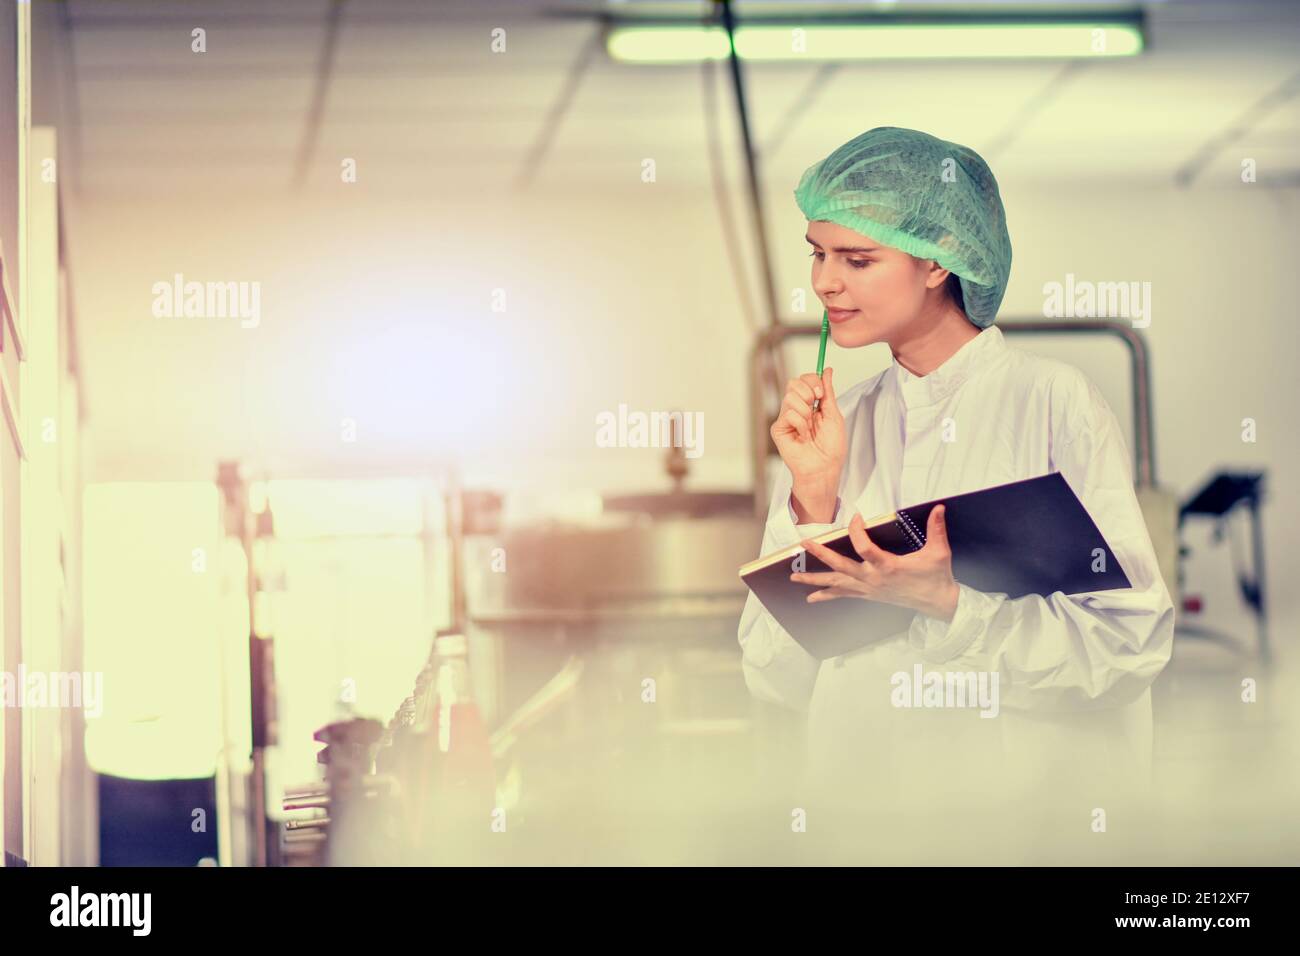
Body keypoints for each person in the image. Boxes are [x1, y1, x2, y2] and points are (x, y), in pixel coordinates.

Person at [737, 128, 1175, 840]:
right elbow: (773, 677)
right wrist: (812, 500)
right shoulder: (839, 425)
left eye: (857, 257)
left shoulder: (1053, 402)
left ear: (939, 259)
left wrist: (950, 607)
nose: (823, 282)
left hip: (1030, 835)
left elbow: (1128, 649)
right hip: (869, 833)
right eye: (817, 254)